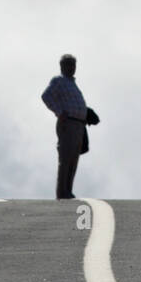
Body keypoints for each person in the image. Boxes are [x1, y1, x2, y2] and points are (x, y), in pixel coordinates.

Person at [41, 54, 88, 200]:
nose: (71, 67)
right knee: (66, 158)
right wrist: (59, 112)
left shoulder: (72, 83)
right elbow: (46, 96)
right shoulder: (59, 81)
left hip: (79, 124)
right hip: (68, 124)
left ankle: (68, 191)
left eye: (73, 64)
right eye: (68, 64)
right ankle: (62, 193)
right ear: (62, 66)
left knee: (73, 159)